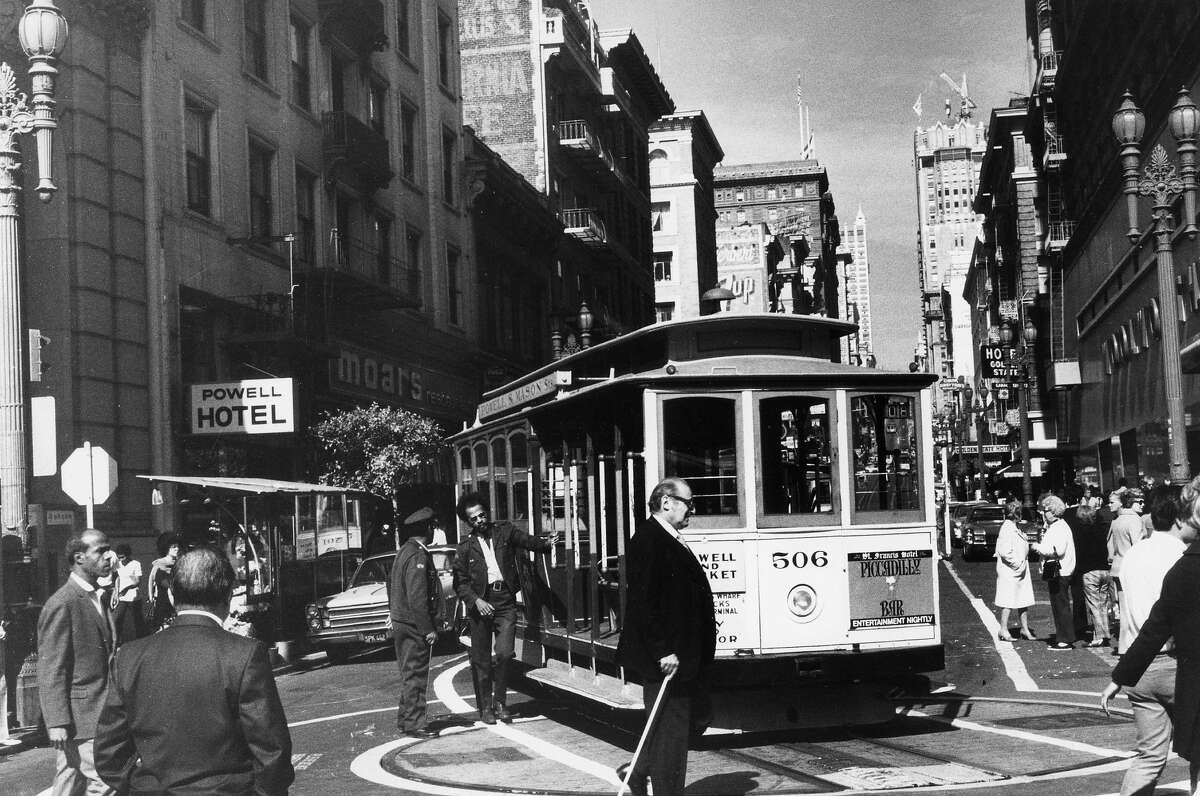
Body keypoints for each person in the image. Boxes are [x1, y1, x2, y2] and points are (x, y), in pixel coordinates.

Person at [94, 547, 294, 795]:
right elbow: (271, 750)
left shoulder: (130, 656)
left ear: (171, 595)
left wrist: (141, 786)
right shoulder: (244, 654)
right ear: (228, 596)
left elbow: (109, 754)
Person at [616, 477, 716, 796]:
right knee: (671, 735)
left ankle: (638, 770)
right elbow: (644, 603)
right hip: (666, 657)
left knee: (678, 723)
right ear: (667, 502)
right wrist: (663, 650)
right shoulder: (649, 539)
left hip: (683, 653)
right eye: (689, 502)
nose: (692, 510)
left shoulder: (669, 537)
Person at [1101, 479, 1200, 795]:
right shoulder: (1179, 559)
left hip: (1145, 667)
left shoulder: (1139, 556)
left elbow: (1152, 624)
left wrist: (1120, 676)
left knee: (1150, 755)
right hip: (1172, 666)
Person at [452, 492, 556, 724]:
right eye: (474, 519)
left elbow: (527, 540)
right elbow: (461, 583)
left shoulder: (504, 531)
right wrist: (476, 601)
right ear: (467, 522)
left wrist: (547, 544)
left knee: (504, 653)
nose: (480, 521)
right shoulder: (465, 547)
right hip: (480, 605)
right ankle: (486, 708)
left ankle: (500, 703)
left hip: (505, 601)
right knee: (481, 659)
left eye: (482, 515)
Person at [37, 528, 117, 796]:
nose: (110, 556)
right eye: (101, 551)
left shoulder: (98, 596)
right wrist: (57, 721)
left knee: (70, 780)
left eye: (109, 549)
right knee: (105, 782)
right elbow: (51, 666)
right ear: (79, 557)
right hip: (82, 714)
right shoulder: (63, 602)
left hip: (96, 710)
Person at [389, 520, 441, 739]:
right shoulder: (418, 555)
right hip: (413, 624)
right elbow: (418, 596)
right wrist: (427, 628)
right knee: (416, 673)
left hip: (401, 621)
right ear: (426, 529)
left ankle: (406, 718)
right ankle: (415, 723)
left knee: (409, 671)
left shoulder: (404, 551)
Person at [1032, 494, 1077, 649]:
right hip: (1060, 571)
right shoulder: (1058, 526)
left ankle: (1065, 639)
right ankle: (1063, 636)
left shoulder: (1059, 528)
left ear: (1054, 512)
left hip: (1060, 571)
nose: (1044, 513)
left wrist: (1038, 548)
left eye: (1047, 510)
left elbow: (1058, 550)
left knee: (1061, 605)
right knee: (1059, 604)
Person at [993, 499, 1035, 642]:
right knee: (1008, 600)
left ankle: (1025, 628)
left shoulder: (1014, 527)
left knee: (1023, 599)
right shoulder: (1007, 528)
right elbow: (1004, 551)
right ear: (1016, 513)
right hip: (1011, 570)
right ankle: (1003, 629)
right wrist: (1017, 564)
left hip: (1019, 570)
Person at [1074, 504, 1113, 648]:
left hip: (1090, 571)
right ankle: (1105, 634)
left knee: (1094, 606)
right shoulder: (1101, 529)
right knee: (1103, 604)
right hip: (1105, 570)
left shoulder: (1080, 533)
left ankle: (1099, 637)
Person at [111, 544, 144, 644]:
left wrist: (127, 588)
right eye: (119, 557)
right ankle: (117, 642)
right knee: (116, 619)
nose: (121, 559)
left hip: (134, 598)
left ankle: (140, 641)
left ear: (128, 555)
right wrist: (116, 593)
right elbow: (117, 579)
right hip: (122, 597)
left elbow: (138, 581)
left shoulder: (135, 564)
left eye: (123, 557)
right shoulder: (118, 564)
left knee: (137, 621)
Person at [146, 533, 179, 632]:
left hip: (177, 602)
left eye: (178, 546)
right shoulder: (159, 565)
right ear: (166, 548)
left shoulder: (179, 563)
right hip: (163, 602)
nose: (177, 549)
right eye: (173, 547)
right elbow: (153, 580)